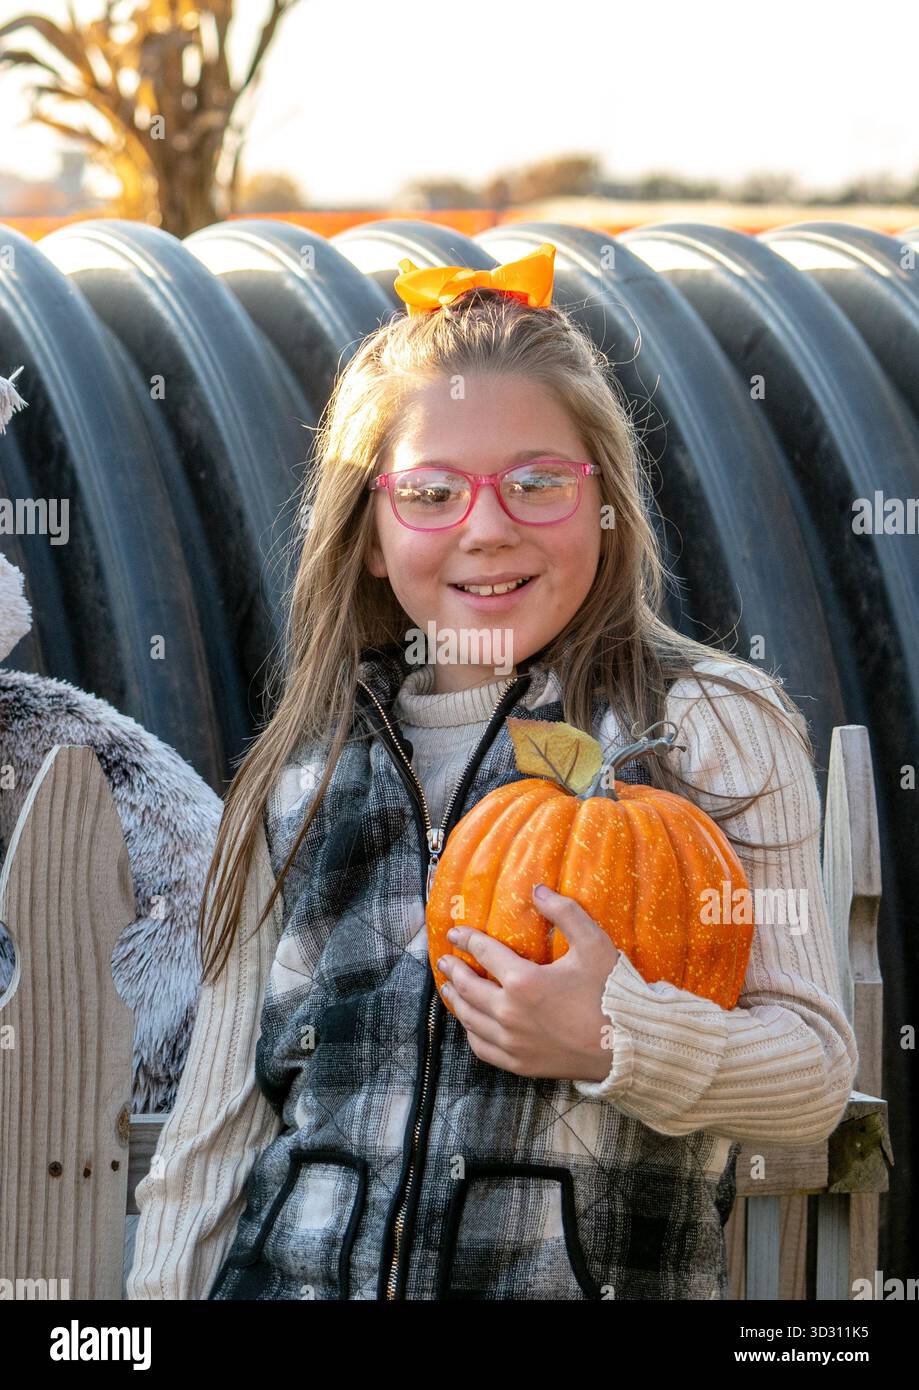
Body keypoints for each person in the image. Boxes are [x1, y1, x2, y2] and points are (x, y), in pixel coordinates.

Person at [127, 242, 858, 1301]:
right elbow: (211, 1137)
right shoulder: (307, 765)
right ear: (370, 531)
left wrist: (613, 1033)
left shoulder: (701, 727)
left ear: (603, 501)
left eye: (535, 482)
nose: (485, 525)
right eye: (430, 492)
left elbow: (813, 1077)